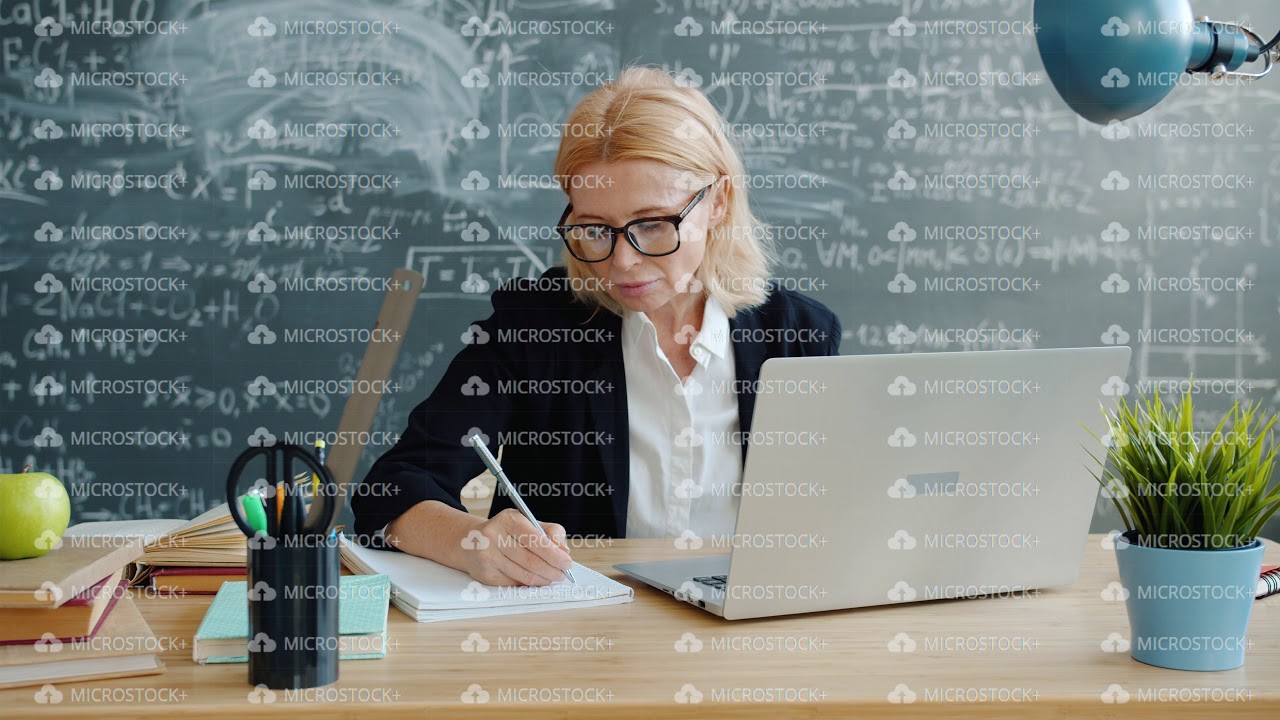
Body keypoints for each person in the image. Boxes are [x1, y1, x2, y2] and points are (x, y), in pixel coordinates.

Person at [352, 66, 841, 586]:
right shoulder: (535, 324)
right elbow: (393, 488)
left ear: (718, 202)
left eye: (652, 224)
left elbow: (834, 514)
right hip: (580, 636)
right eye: (593, 228)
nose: (622, 262)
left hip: (750, 631)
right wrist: (470, 539)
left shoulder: (799, 334)